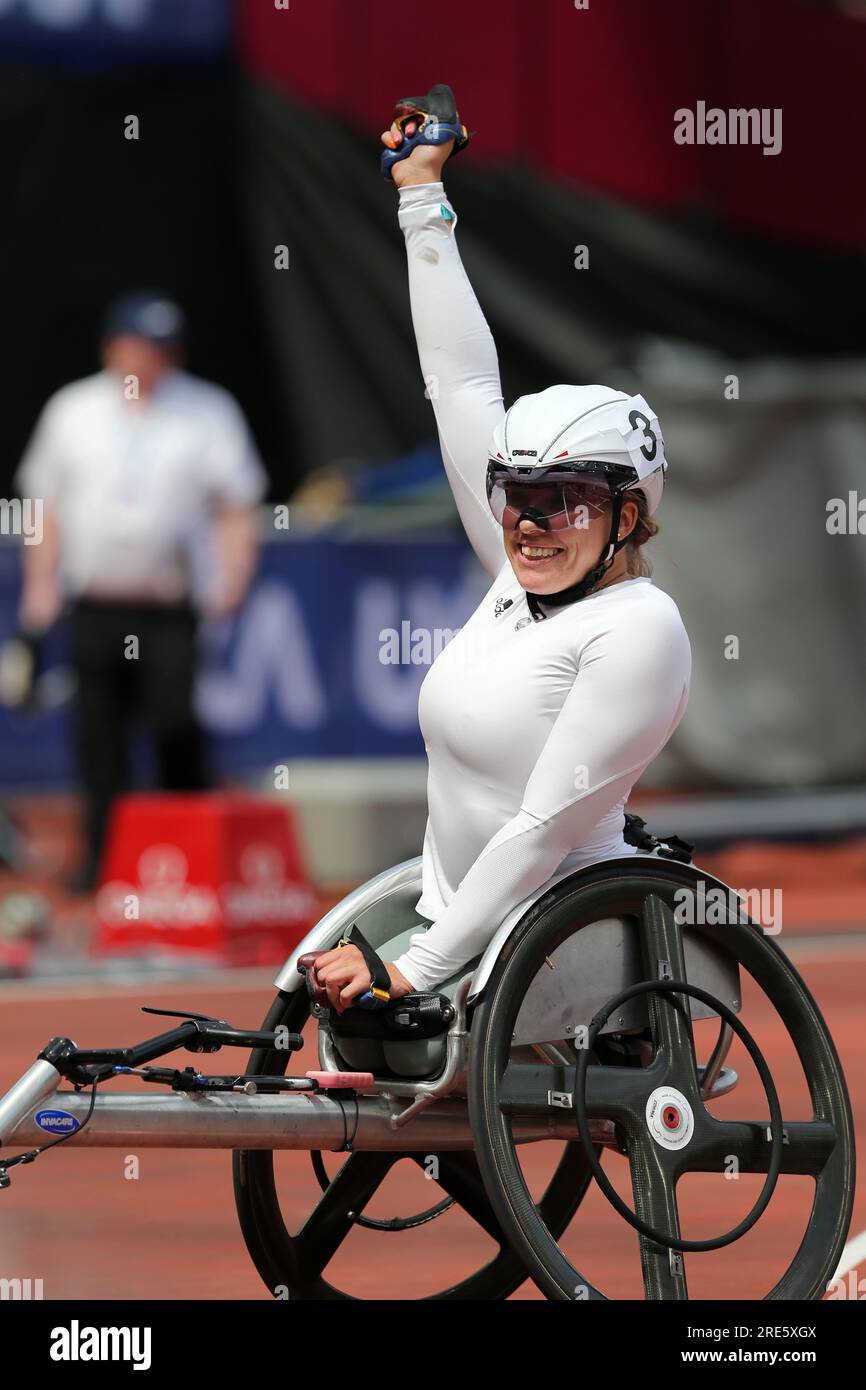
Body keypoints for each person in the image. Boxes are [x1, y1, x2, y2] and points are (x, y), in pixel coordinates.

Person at [313, 91, 692, 1011]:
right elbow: (459, 382)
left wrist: (412, 967)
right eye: (518, 495)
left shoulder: (640, 629)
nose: (529, 521)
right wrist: (419, 196)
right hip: (465, 936)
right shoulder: (521, 579)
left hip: (562, 959)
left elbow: (541, 827)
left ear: (628, 515)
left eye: (563, 503)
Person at [15, 290, 267, 889]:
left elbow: (237, 503)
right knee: (97, 737)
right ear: (111, 346)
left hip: (168, 607)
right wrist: (38, 591)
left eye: (159, 347)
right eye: (136, 344)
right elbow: (42, 504)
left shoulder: (207, 411)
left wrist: (232, 578)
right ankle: (105, 869)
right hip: (96, 604)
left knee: (176, 725)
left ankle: (192, 863)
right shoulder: (71, 411)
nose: (146, 358)